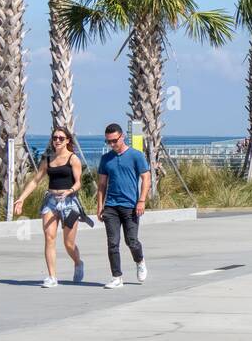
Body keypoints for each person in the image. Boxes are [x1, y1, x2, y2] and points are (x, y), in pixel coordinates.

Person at [14, 126, 87, 287]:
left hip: (69, 201)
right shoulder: (48, 160)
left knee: (68, 243)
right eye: (55, 138)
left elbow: (78, 182)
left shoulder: (73, 159)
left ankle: (78, 262)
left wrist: (70, 191)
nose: (58, 141)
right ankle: (52, 277)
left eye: (61, 138)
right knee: (49, 238)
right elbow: (35, 181)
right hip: (51, 201)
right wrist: (21, 199)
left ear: (68, 140)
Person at [96, 123, 150, 289]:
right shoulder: (106, 159)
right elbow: (102, 185)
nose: (111, 144)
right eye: (108, 142)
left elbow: (146, 179)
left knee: (131, 241)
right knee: (112, 243)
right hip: (111, 206)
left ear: (122, 137)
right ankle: (116, 277)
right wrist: (100, 206)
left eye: (114, 140)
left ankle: (140, 261)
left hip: (130, 206)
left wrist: (141, 201)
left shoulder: (136, 155)